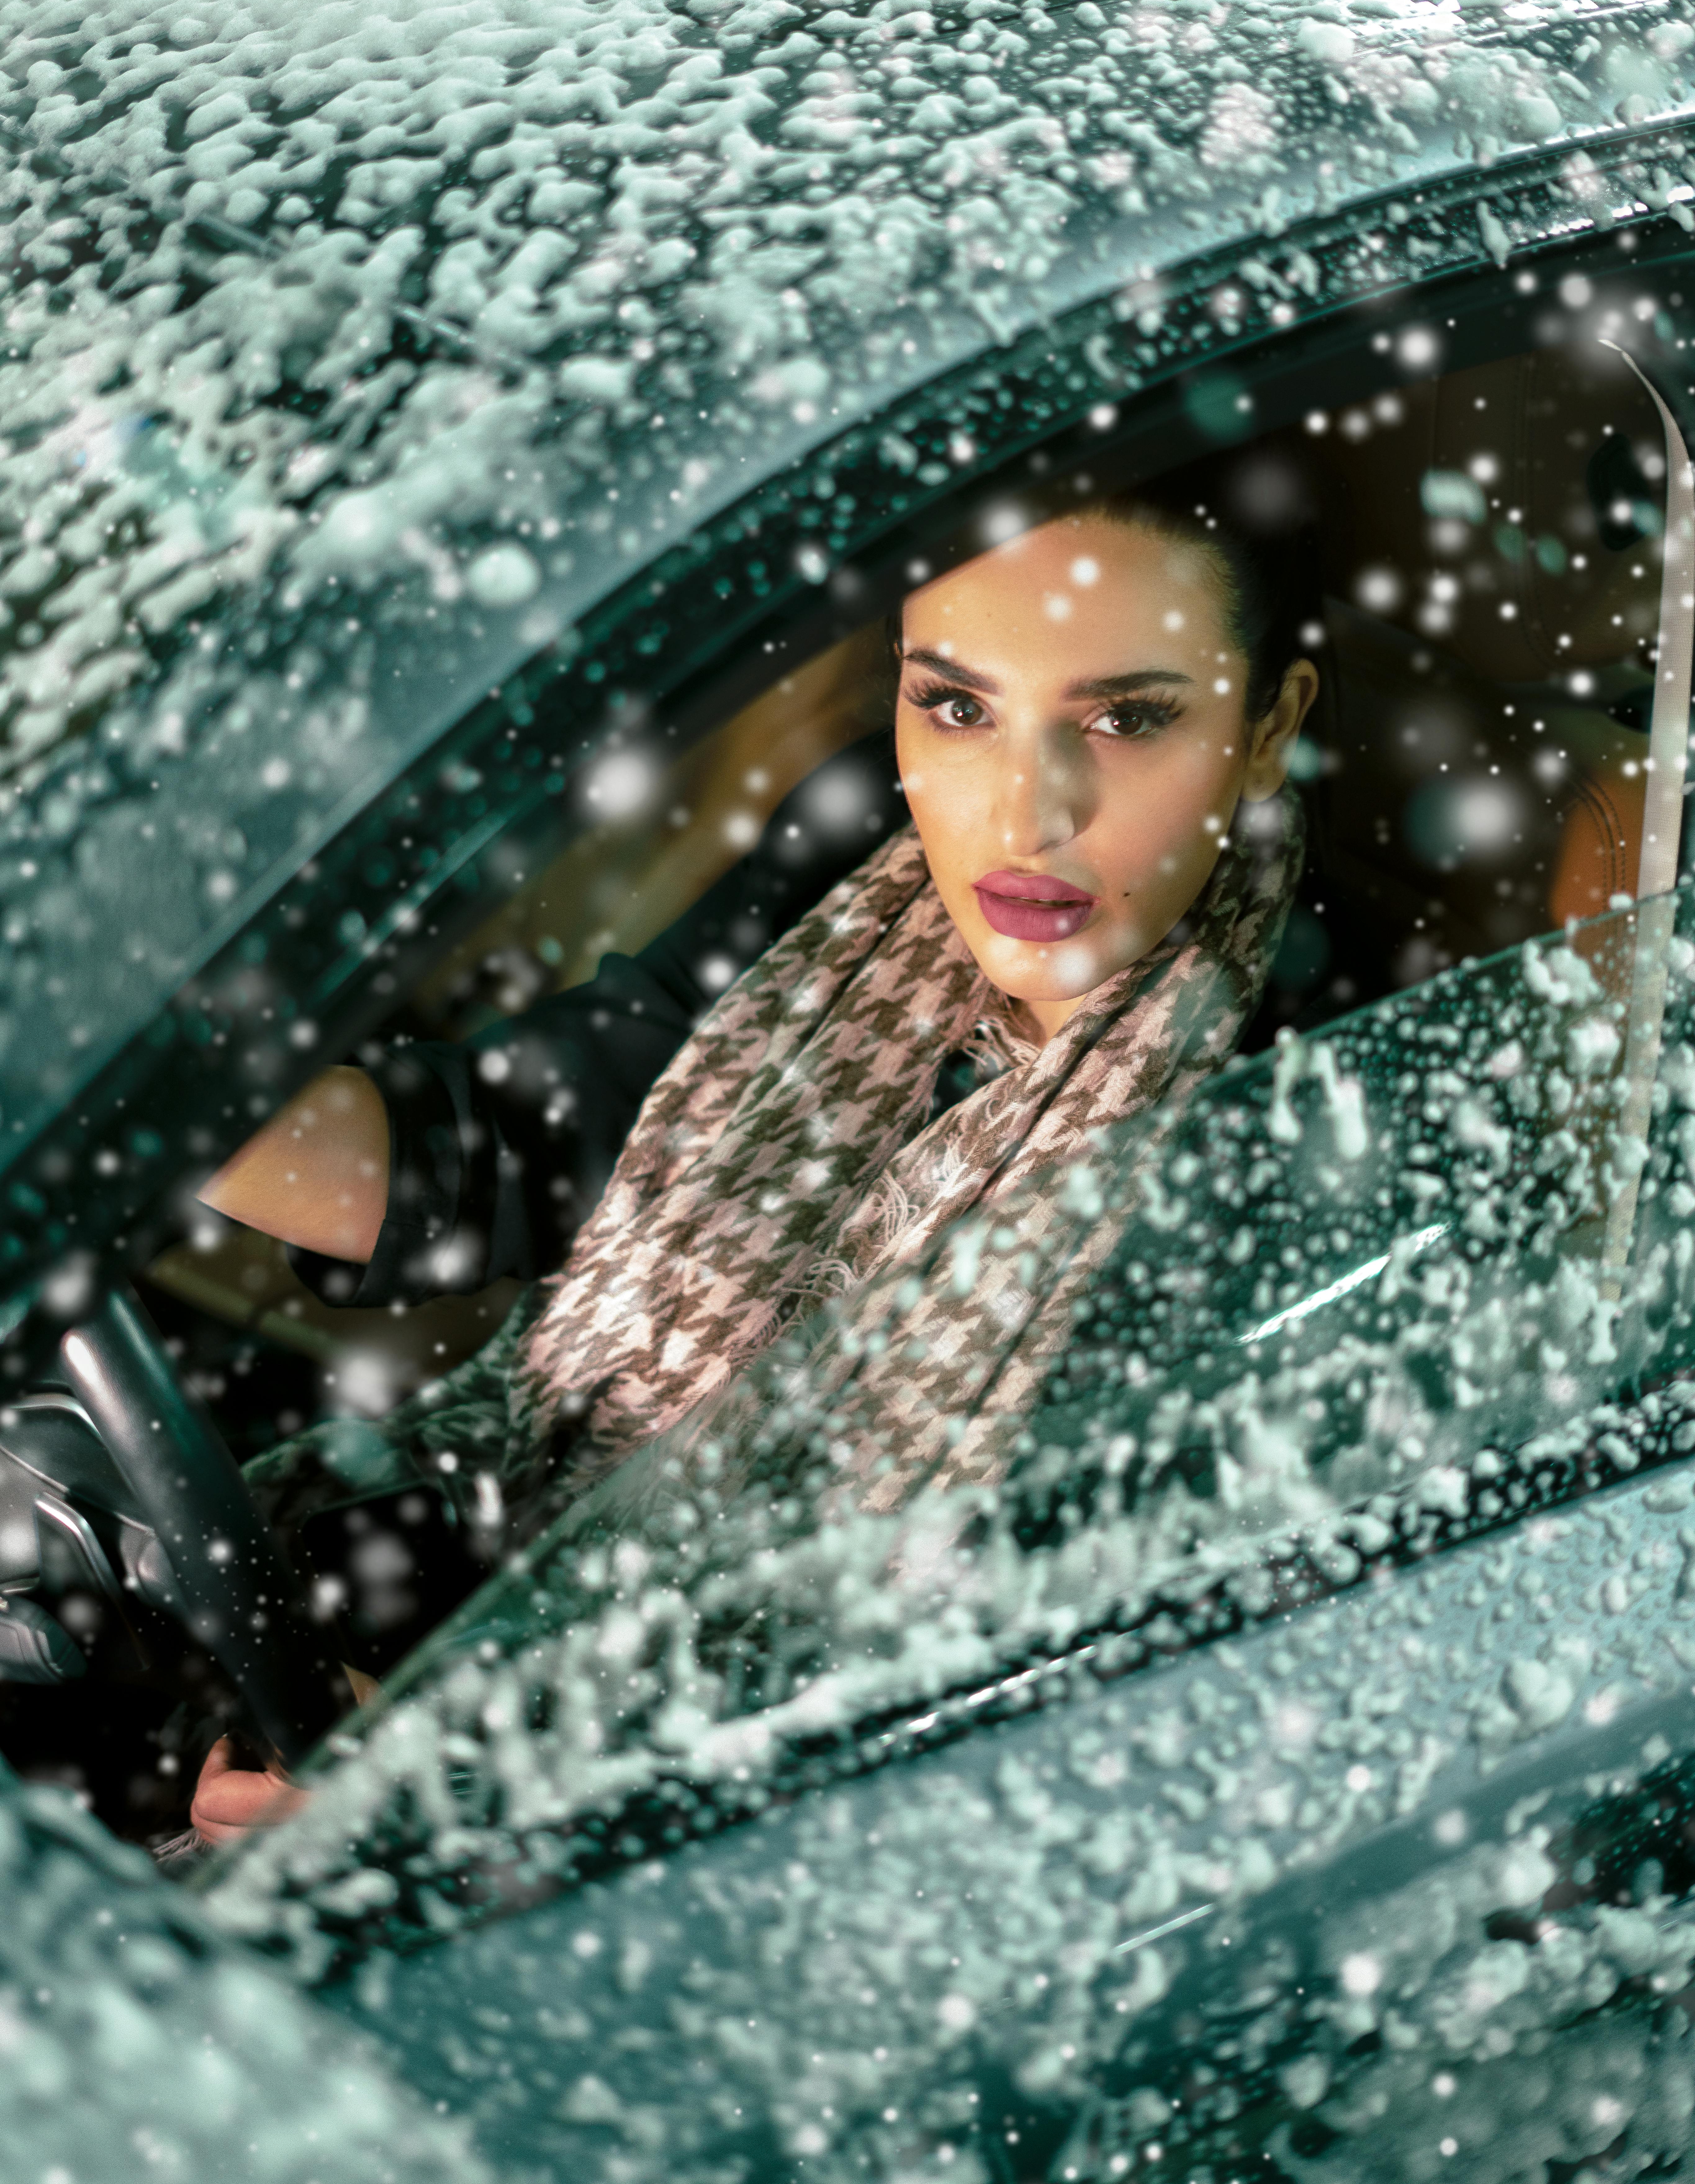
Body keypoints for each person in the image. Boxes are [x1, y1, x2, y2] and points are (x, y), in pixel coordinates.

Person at [191, 470, 1319, 1837]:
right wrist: (120, 1101)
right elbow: (537, 1121)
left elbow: (1056, 1734)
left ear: (1270, 729)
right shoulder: (864, 857)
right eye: (956, 706)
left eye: (1129, 719)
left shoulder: (1298, 1105)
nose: (1027, 813)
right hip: (487, 1624)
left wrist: (476, 1807)